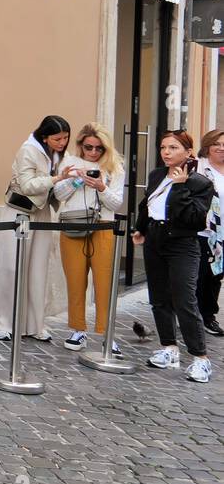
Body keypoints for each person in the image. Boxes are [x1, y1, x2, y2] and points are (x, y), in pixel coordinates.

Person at [133, 130, 213, 383]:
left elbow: (193, 218)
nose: (166, 152)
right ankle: (169, 349)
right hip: (155, 241)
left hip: (182, 244)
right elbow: (147, 203)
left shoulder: (200, 183)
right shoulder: (157, 174)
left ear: (188, 152)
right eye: (163, 147)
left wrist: (180, 187)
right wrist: (141, 227)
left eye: (173, 148)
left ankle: (201, 359)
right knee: (159, 298)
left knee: (184, 300)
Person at [0, 115, 70, 341]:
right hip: (20, 211)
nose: (62, 142)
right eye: (57, 138)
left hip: (42, 213)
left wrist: (71, 180)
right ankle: (0, 321)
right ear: (45, 137)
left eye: (65, 138)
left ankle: (34, 324)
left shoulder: (62, 155)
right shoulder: (28, 150)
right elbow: (27, 185)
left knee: (38, 268)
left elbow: (62, 183)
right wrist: (56, 178)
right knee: (11, 267)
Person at [53, 123, 126, 354]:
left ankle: (107, 332)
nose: (93, 153)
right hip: (74, 224)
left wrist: (101, 187)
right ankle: (77, 329)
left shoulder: (115, 167)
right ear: (80, 145)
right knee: (75, 279)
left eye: (99, 149)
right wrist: (77, 180)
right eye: (88, 147)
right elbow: (59, 195)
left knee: (105, 282)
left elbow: (116, 204)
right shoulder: (69, 163)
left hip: (103, 226)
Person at [194, 129, 224, 337]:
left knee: (215, 275)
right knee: (198, 274)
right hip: (200, 231)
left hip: (222, 234)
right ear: (208, 146)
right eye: (217, 144)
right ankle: (190, 313)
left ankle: (208, 316)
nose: (221, 149)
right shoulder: (198, 168)